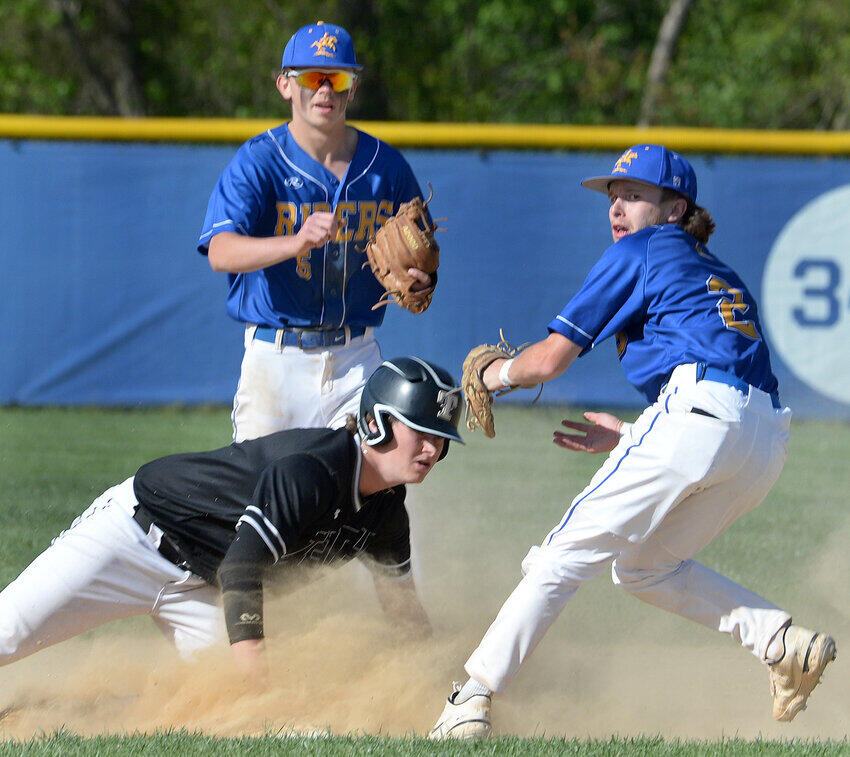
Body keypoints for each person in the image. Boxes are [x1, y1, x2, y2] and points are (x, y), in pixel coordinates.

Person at [429, 145, 837, 739]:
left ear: (675, 208)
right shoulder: (714, 269)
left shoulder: (643, 249)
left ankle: (471, 700)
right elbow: (725, 386)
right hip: (763, 438)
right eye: (613, 196)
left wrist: (488, 378)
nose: (618, 207)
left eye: (635, 195)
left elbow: (548, 360)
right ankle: (779, 641)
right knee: (645, 567)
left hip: (701, 415)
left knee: (559, 556)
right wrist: (634, 433)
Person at [0, 357, 462, 679]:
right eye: (419, 430)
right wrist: (256, 676)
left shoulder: (386, 513)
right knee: (8, 634)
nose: (431, 448)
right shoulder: (315, 469)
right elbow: (243, 566)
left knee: (222, 707)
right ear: (377, 421)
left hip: (205, 590)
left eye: (440, 438)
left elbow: (403, 612)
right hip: (134, 539)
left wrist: (433, 680)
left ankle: (54, 709)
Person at [198, 21, 435, 442]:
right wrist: (296, 241)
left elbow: (422, 251)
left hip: (356, 358)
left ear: (353, 88)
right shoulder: (259, 162)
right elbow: (221, 252)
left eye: (338, 78)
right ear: (285, 86)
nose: (325, 89)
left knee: (365, 491)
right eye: (312, 77)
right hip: (277, 359)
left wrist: (423, 278)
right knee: (264, 493)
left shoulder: (386, 167)